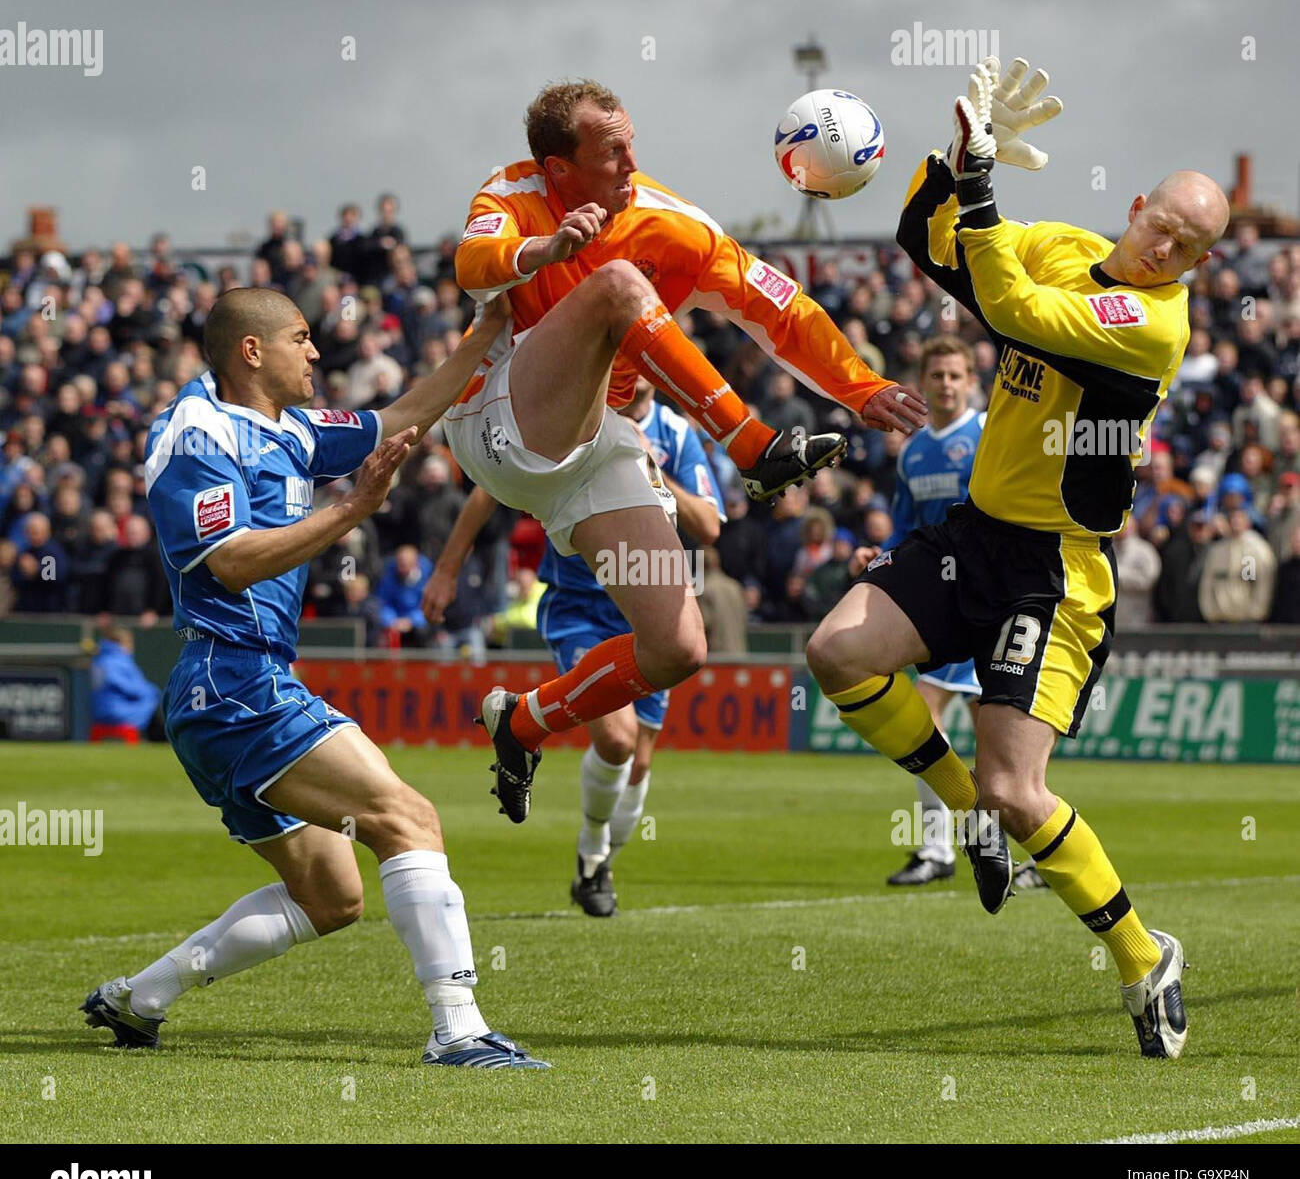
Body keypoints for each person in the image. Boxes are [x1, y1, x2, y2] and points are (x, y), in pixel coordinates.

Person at [805, 57, 1230, 1059]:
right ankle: (969, 818)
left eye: (1188, 246)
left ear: (1201, 263)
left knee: (1017, 788)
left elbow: (1014, 313)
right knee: (836, 652)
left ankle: (1142, 957)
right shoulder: (1068, 247)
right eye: (1162, 224)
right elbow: (934, 247)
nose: (1164, 247)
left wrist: (987, 185)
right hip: (975, 536)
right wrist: (957, 159)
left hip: (1055, 570)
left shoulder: (1150, 324)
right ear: (1136, 208)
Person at [82, 288, 550, 1069]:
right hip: (234, 680)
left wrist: (487, 330)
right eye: (300, 338)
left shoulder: (292, 429)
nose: (316, 351)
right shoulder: (198, 432)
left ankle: (138, 998)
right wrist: (354, 508)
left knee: (331, 898)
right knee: (406, 817)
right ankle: (459, 1031)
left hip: (227, 689)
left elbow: (402, 416)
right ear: (252, 351)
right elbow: (230, 561)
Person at [445, 79, 926, 824]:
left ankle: (522, 722)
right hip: (499, 418)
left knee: (676, 648)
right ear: (558, 167)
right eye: (612, 151)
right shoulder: (512, 194)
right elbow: (472, 262)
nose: (632, 162)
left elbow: (779, 308)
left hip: (595, 444)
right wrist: (545, 248)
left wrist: (861, 387)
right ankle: (752, 445)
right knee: (617, 284)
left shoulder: (671, 225)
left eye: (632, 143)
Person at [426, 378, 724, 916]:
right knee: (616, 739)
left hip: (650, 608)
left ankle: (595, 860)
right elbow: (490, 489)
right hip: (580, 606)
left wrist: (648, 465)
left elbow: (707, 525)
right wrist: (447, 570)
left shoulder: (675, 433)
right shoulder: (575, 406)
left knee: (637, 762)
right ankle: (586, 839)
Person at [872, 337, 985, 887]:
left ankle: (1000, 847)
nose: (945, 384)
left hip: (990, 600)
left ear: (971, 381)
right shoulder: (913, 452)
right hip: (941, 605)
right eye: (937, 375)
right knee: (926, 713)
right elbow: (903, 526)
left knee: (1000, 741)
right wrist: (879, 558)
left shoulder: (988, 433)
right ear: (922, 382)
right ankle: (940, 848)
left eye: (955, 375)